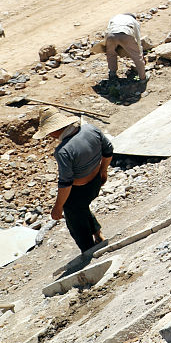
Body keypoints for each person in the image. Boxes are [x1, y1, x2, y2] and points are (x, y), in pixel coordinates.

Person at [36, 106, 113, 254]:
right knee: (82, 207)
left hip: (80, 190)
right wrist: (103, 171)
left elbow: (66, 183)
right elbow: (108, 149)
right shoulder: (91, 129)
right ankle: (98, 234)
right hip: (96, 182)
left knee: (75, 216)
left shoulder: (63, 151)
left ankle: (89, 250)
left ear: (54, 130)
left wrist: (58, 207)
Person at [105, 13, 146, 81]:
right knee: (137, 56)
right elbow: (137, 38)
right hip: (125, 33)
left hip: (111, 35)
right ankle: (143, 78)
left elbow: (108, 30)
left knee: (111, 54)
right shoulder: (134, 21)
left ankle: (112, 74)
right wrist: (140, 53)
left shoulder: (115, 17)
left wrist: (107, 44)